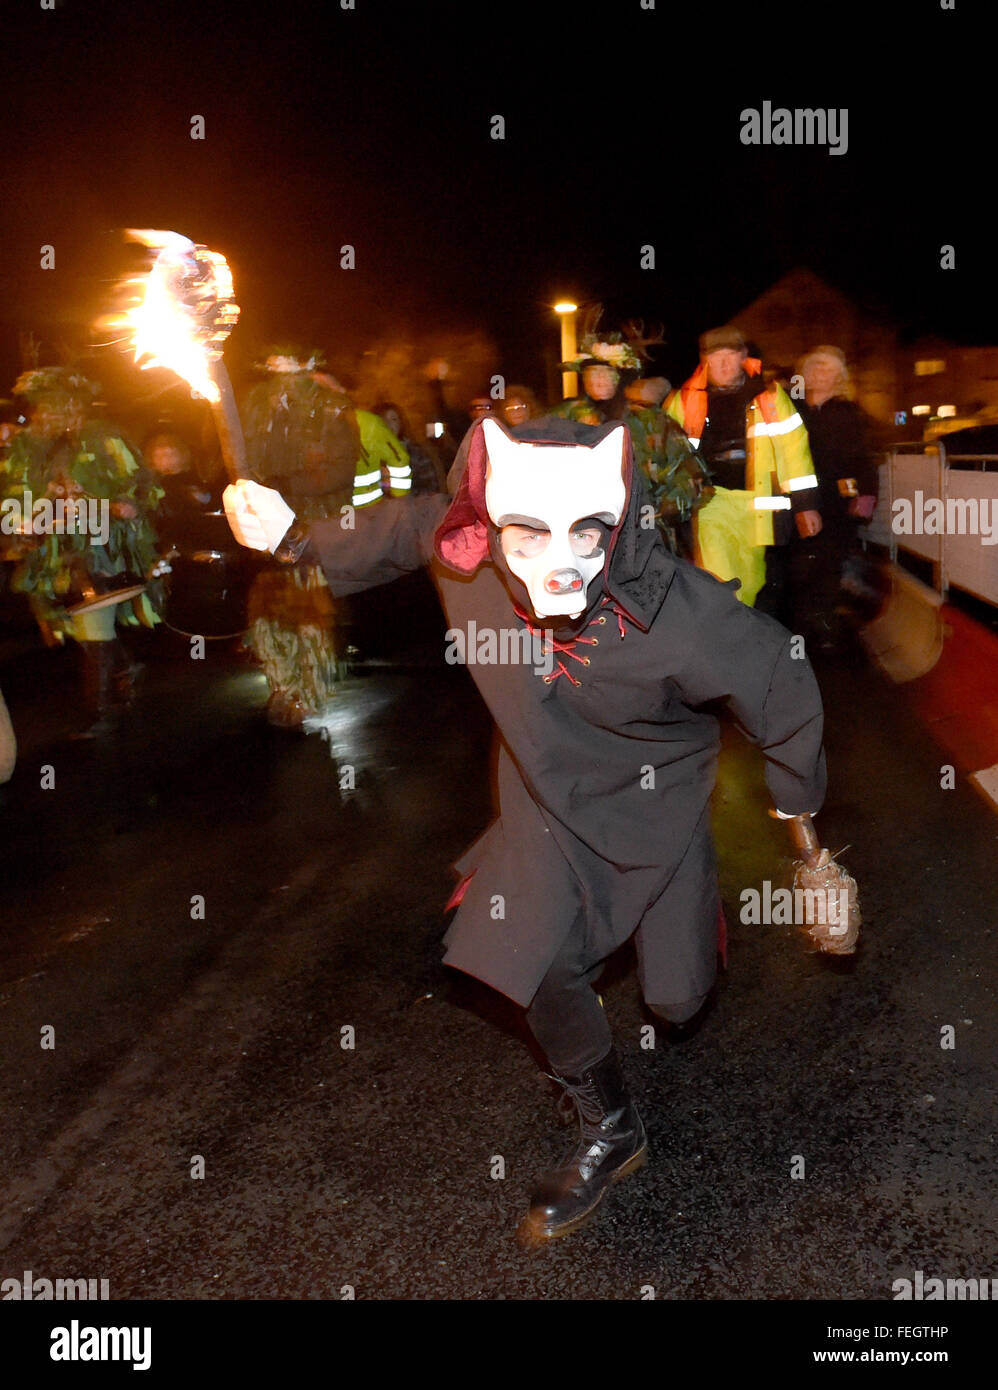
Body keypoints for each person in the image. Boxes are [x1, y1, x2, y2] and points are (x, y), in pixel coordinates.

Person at [222, 413, 839, 1243]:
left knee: (677, 1001)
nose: (560, 563)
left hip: (652, 803)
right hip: (543, 805)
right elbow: (405, 526)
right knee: (536, 960)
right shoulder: (467, 560)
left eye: (588, 534)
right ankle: (611, 1130)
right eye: (528, 536)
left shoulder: (682, 615)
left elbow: (785, 694)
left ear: (616, 522)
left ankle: (688, 917)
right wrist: (294, 535)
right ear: (488, 529)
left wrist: (808, 849)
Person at [1, 368, 162, 737]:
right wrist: (23, 522)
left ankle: (99, 712)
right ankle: (124, 669)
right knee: (76, 622)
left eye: (61, 406)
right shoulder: (27, 447)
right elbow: (14, 497)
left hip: (100, 544)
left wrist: (123, 505)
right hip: (56, 551)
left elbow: (140, 482)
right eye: (46, 407)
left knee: (93, 621)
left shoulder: (104, 438)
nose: (52, 414)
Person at [665, 326, 820, 610]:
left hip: (758, 506)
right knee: (718, 578)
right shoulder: (683, 401)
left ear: (742, 357)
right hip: (712, 503)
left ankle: (746, 635)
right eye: (716, 356)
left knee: (752, 580)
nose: (723, 363)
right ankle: (727, 638)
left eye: (730, 355)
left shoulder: (769, 397)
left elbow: (794, 451)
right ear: (704, 360)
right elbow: (668, 456)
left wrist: (805, 505)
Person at [556, 333, 712, 557]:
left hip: (645, 542)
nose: (599, 379)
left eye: (607, 372)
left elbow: (693, 476)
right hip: (583, 543)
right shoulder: (564, 422)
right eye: (593, 372)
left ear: (621, 377)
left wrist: (656, 513)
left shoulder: (651, 422)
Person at [794, 346, 880, 647]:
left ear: (839, 377)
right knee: (799, 565)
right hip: (799, 501)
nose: (821, 375)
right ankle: (797, 626)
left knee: (829, 565)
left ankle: (822, 626)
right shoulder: (793, 411)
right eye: (815, 368)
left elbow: (865, 459)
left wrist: (866, 496)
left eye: (829, 370)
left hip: (837, 503)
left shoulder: (849, 413)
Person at [375, 401, 447, 495]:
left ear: (401, 424)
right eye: (383, 419)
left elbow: (429, 486)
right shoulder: (367, 455)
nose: (388, 424)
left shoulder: (414, 452)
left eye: (394, 419)